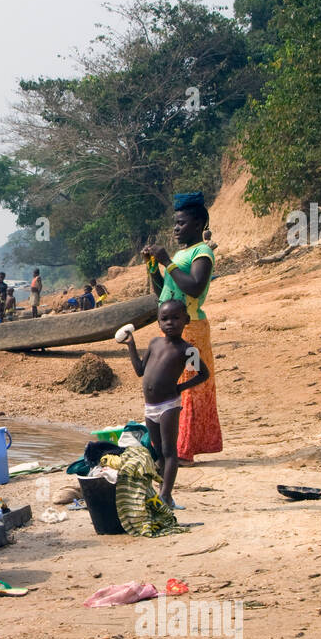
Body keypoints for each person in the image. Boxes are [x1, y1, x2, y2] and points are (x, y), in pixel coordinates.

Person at [145, 191, 223, 462]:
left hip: (191, 330)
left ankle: (184, 450)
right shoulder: (182, 253)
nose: (176, 228)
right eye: (175, 223)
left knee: (189, 386)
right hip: (174, 329)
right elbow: (164, 293)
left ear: (199, 223)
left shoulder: (202, 253)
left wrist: (167, 261)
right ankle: (177, 447)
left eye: (182, 223)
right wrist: (154, 270)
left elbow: (195, 286)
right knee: (174, 384)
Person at [118, 299, 210, 509]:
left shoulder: (187, 350)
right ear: (158, 323)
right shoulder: (154, 343)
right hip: (150, 407)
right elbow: (140, 370)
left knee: (170, 452)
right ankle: (162, 491)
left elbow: (203, 374)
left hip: (169, 405)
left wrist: (180, 387)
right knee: (157, 450)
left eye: (175, 318)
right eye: (164, 319)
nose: (170, 323)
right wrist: (131, 345)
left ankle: (166, 496)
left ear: (186, 320)